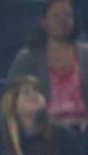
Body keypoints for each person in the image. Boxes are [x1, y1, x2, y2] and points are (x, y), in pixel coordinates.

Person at [8, 0, 88, 137]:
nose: (63, 20)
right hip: (43, 134)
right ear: (43, 22)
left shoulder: (85, 55)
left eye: (68, 15)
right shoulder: (27, 59)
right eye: (56, 16)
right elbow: (12, 100)